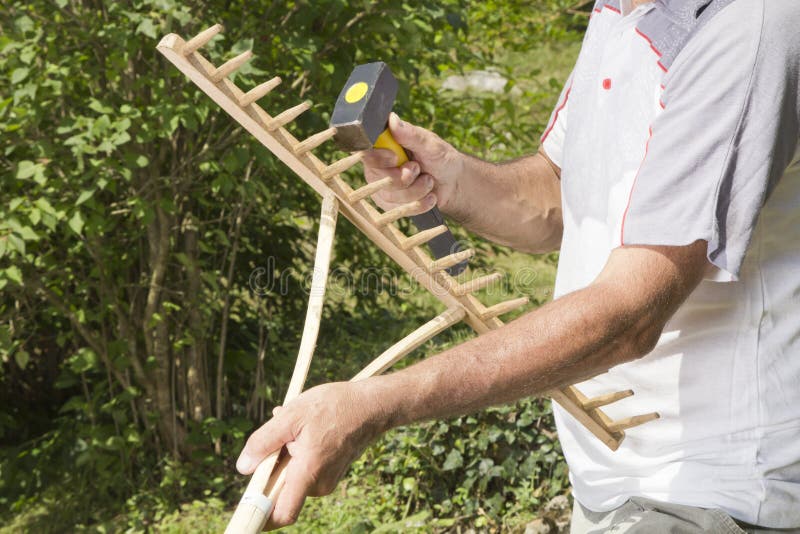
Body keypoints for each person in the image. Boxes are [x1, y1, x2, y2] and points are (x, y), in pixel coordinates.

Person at [236, 0, 800, 531]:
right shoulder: (617, 10)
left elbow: (631, 311)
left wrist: (379, 403)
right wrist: (451, 176)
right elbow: (558, 196)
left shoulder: (748, 24)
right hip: (609, 477)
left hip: (714, 486)